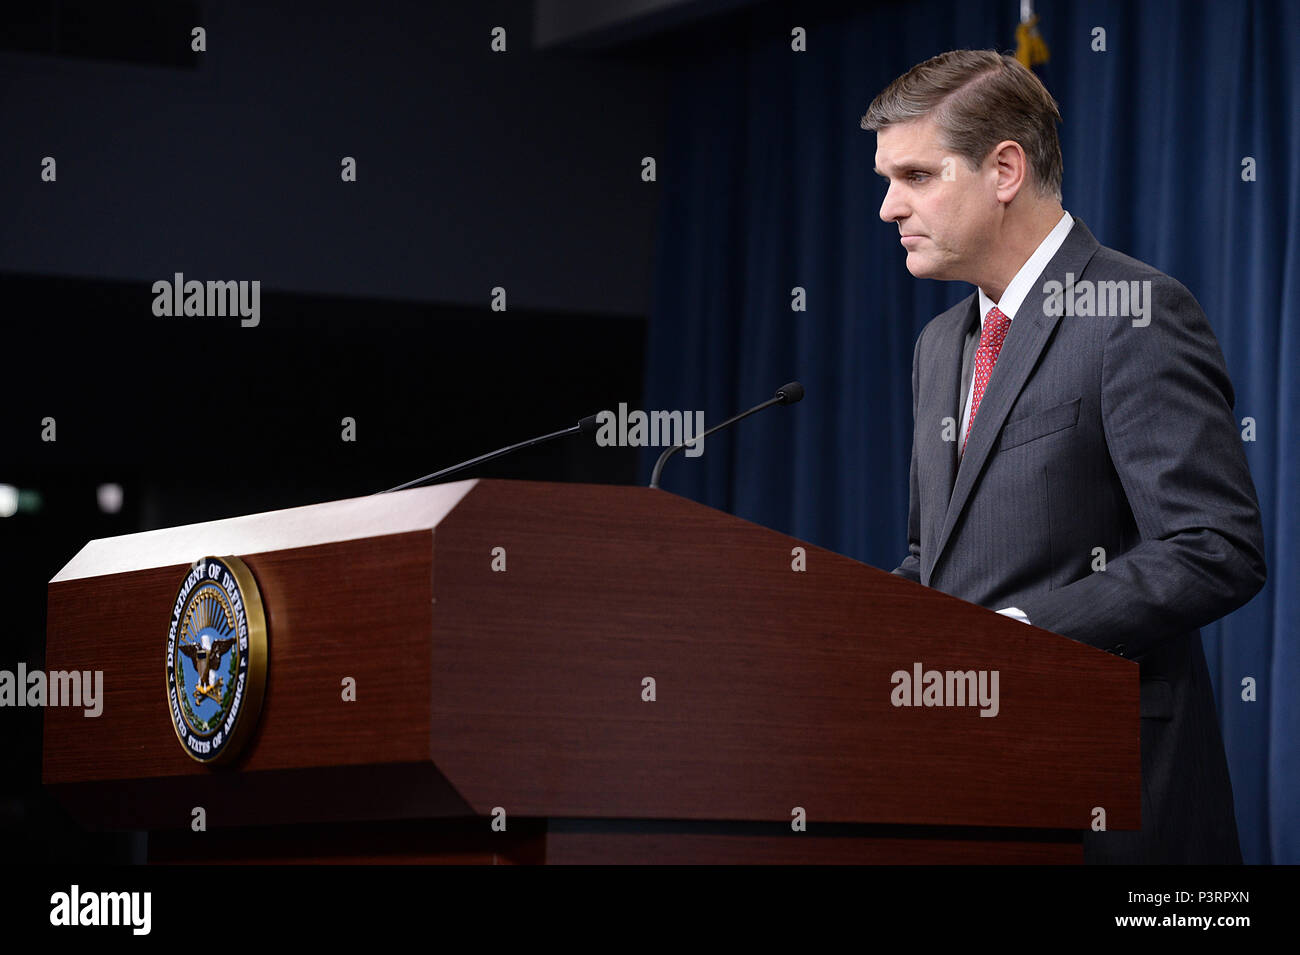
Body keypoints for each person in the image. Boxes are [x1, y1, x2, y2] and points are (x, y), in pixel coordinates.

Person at [863, 49, 1266, 863]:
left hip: (1109, 793)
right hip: (965, 788)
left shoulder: (1132, 314)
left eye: (914, 174)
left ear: (1004, 168)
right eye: (885, 178)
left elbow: (1215, 547)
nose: (888, 206)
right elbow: (930, 557)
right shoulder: (941, 343)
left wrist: (1021, 637)